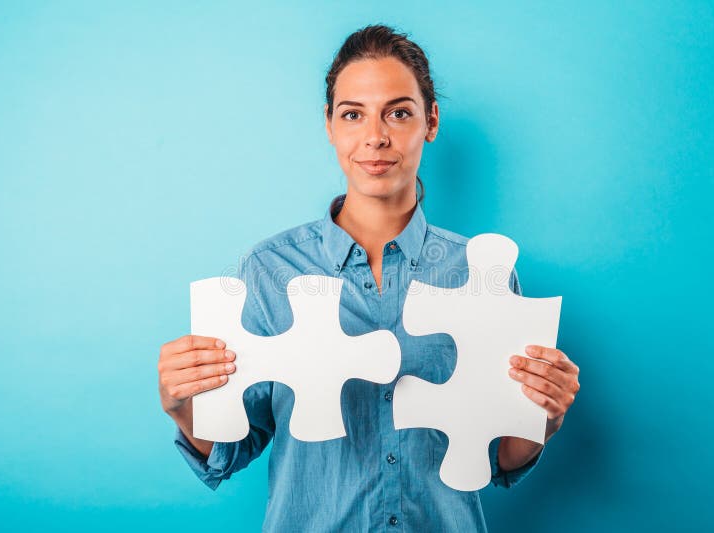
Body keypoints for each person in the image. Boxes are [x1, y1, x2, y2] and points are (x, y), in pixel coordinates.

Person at [157, 24, 581, 531]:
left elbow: (496, 459)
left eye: (398, 113)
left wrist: (544, 419)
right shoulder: (269, 269)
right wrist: (185, 407)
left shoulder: (483, 272)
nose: (375, 136)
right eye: (353, 114)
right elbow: (232, 446)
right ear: (330, 125)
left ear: (431, 122)